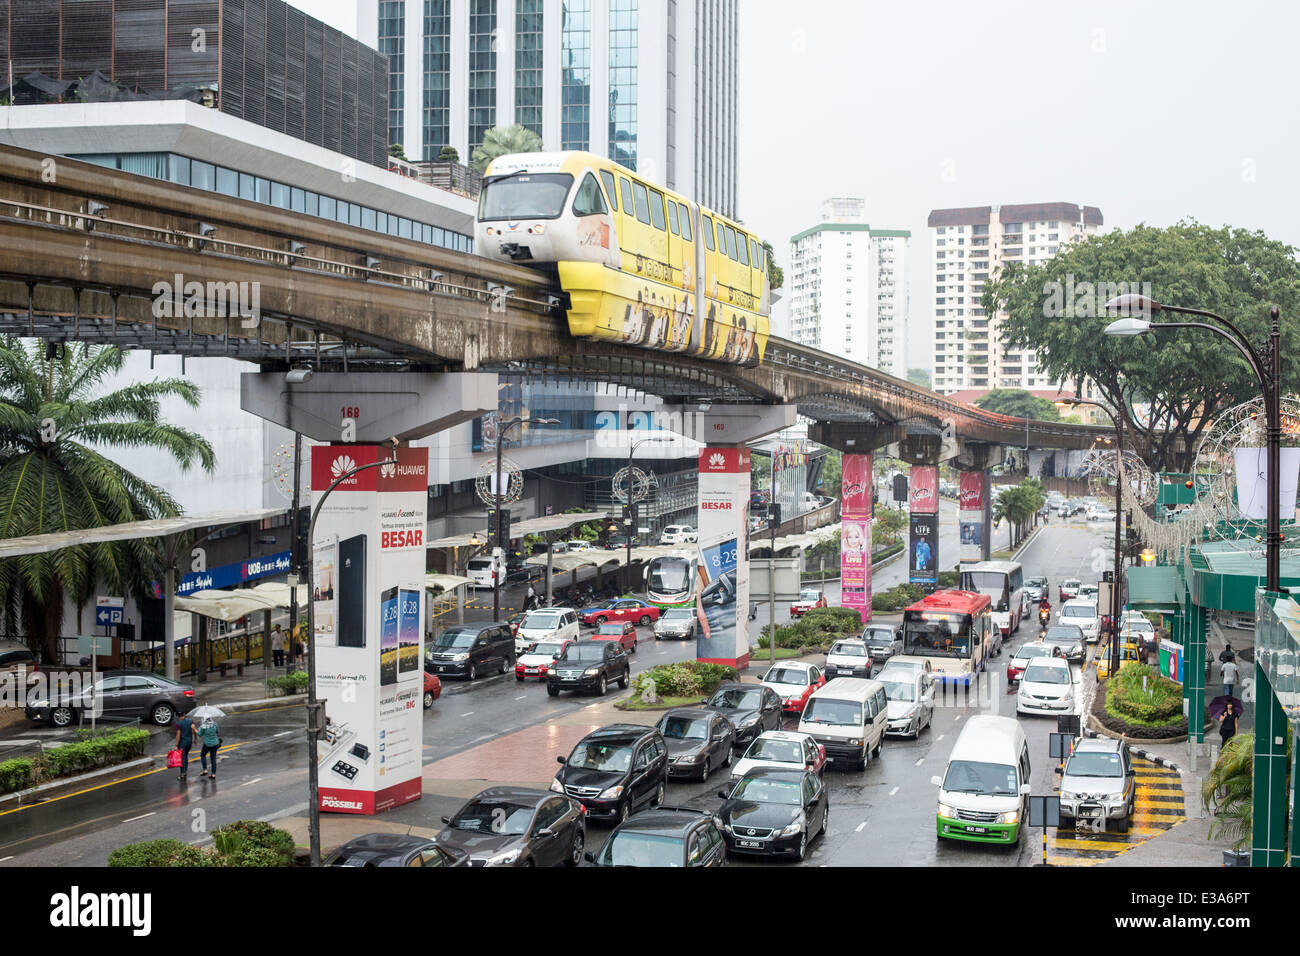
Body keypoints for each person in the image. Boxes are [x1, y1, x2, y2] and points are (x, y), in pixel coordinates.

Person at [174, 713, 196, 781]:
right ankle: (185, 771)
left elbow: (178, 735)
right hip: (189, 742)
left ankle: (182, 774)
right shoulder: (190, 721)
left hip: (182, 743)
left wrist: (176, 745)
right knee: (185, 756)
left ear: (178, 716)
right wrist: (195, 739)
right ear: (184, 715)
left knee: (182, 758)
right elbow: (194, 730)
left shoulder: (178, 724)